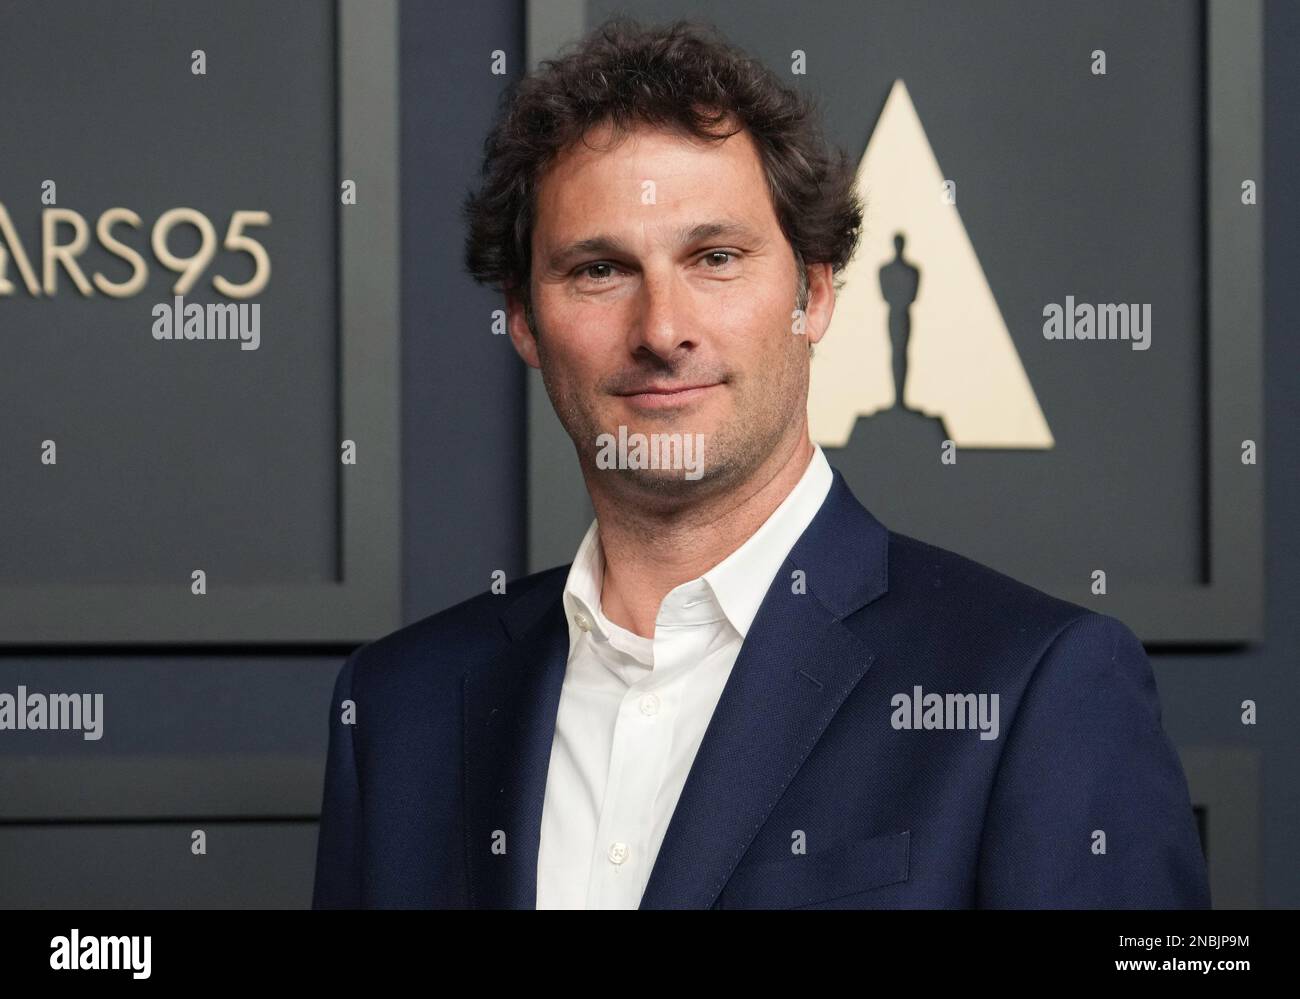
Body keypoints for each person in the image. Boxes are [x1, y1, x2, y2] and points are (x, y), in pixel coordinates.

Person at [312, 17, 1209, 909]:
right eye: (599, 270)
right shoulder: (398, 710)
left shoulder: (1033, 689)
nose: (663, 329)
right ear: (523, 320)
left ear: (813, 293)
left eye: (716, 258)